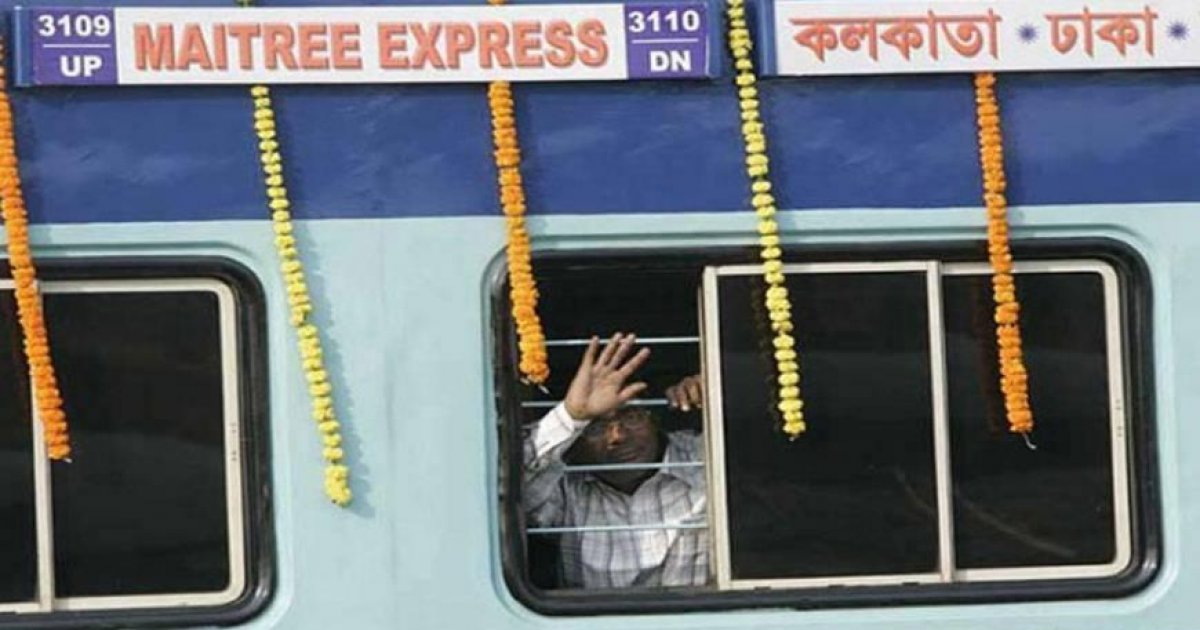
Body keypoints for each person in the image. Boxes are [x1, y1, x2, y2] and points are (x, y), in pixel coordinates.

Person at [523, 332, 707, 589]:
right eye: (596, 427)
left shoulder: (704, 458)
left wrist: (719, 394)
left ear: (654, 418)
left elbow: (757, 448)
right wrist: (571, 415)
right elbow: (510, 484)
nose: (617, 436)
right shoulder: (566, 490)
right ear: (576, 440)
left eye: (631, 416)